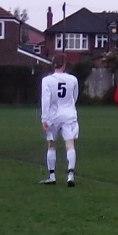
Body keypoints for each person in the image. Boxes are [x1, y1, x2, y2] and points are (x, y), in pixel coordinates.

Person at [40, 53, 80, 186]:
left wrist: (44, 118)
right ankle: (70, 175)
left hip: (53, 116)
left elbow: (45, 101)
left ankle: (52, 176)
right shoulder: (73, 79)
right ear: (64, 65)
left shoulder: (47, 80)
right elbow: (75, 96)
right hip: (69, 115)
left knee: (51, 145)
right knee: (70, 145)